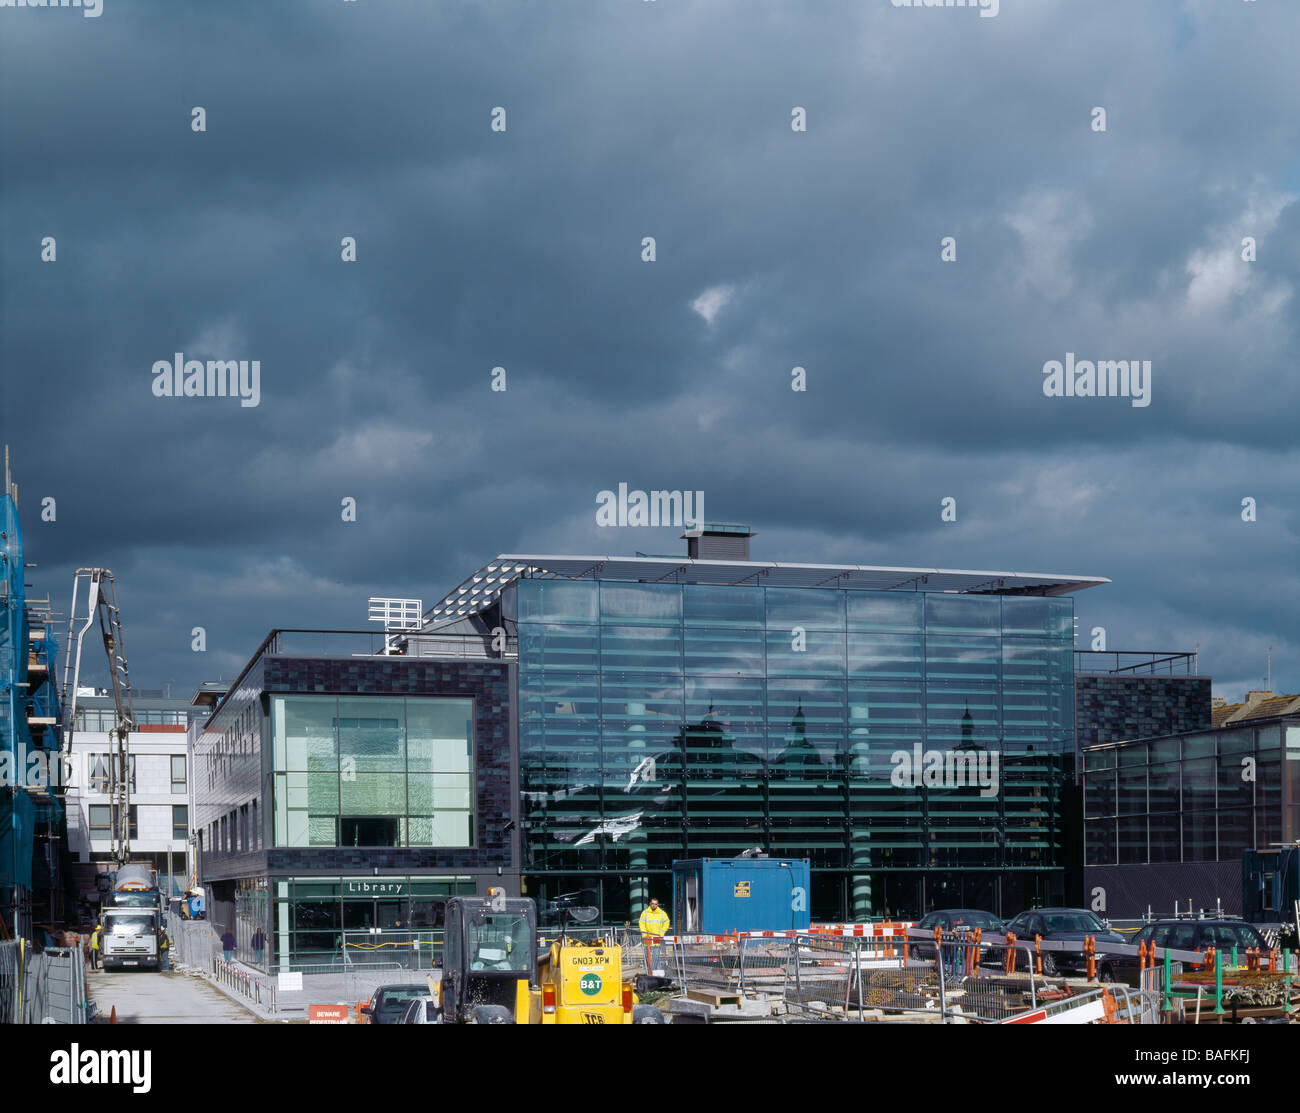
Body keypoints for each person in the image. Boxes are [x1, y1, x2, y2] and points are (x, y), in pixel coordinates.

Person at [638, 897, 670, 974]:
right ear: (650, 904)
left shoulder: (662, 913)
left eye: (655, 904)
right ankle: (647, 971)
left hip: (657, 939)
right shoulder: (645, 913)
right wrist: (644, 934)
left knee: (656, 957)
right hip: (648, 939)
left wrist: (661, 933)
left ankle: (653, 972)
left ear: (657, 904)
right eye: (652, 904)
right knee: (647, 957)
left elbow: (667, 922)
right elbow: (641, 924)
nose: (654, 905)